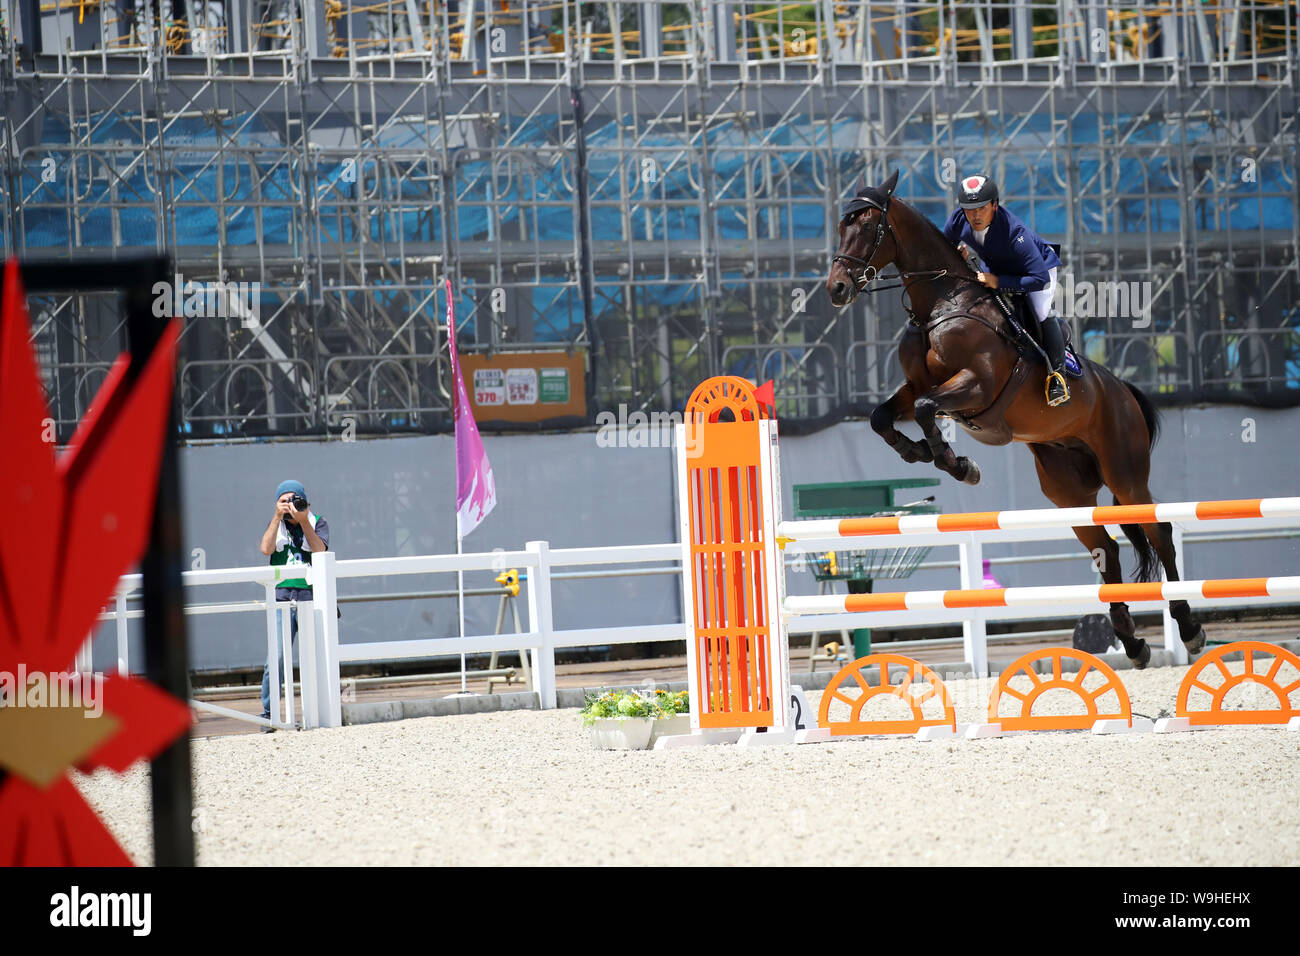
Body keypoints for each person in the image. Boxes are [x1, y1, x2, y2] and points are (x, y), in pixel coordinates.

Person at [943, 174, 1070, 406]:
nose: (975, 216)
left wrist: (998, 282)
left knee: (1041, 312)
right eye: (969, 209)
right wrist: (956, 254)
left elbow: (1039, 278)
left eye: (981, 208)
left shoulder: (1015, 233)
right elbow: (944, 248)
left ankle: (1057, 376)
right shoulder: (958, 221)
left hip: (1036, 272)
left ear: (994, 205)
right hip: (996, 267)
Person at [258, 479, 329, 729]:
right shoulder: (275, 524)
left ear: (305, 501)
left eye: (294, 500)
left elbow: (320, 551)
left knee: (319, 655)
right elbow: (266, 549)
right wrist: (277, 517)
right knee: (276, 657)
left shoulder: (316, 521)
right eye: (284, 500)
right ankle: (269, 713)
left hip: (311, 596)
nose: (290, 505)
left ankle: (322, 711)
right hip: (282, 595)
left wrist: (303, 520)